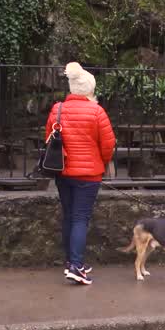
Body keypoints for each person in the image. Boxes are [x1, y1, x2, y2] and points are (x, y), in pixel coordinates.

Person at [45, 62, 116, 285]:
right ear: (90, 90)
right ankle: (76, 266)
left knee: (69, 216)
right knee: (80, 219)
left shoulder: (57, 109)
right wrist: (101, 163)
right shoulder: (97, 112)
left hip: (63, 172)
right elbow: (108, 144)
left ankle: (71, 262)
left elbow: (48, 138)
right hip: (89, 175)